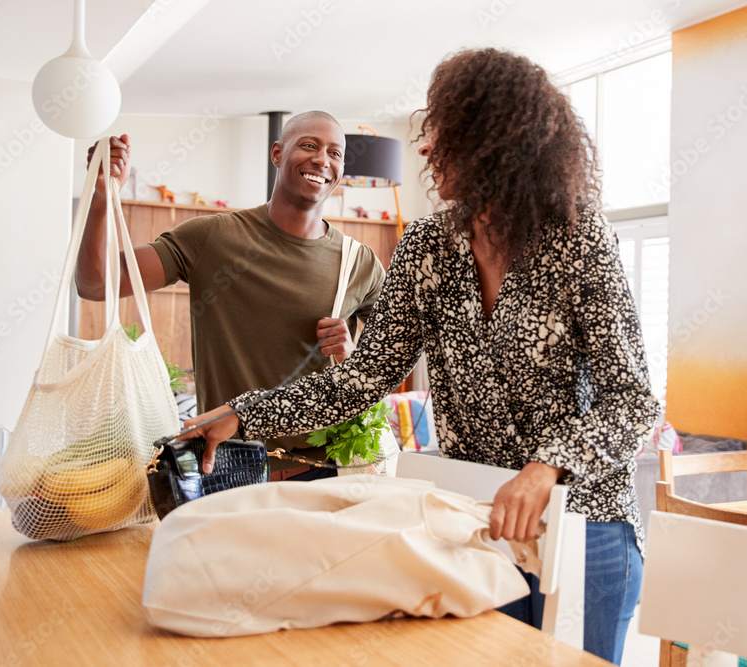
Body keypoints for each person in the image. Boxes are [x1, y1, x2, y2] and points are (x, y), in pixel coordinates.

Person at [181, 50, 659, 663]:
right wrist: (245, 413)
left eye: (446, 132)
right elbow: (360, 379)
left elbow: (633, 400)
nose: (427, 150)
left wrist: (543, 471)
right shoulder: (429, 247)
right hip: (476, 525)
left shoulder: (578, 237)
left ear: (496, 139)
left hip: (588, 525)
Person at [75, 111, 386, 479]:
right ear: (276, 153)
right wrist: (100, 196)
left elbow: (384, 365)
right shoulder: (213, 237)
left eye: (335, 153)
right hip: (225, 465)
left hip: (323, 469)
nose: (322, 159)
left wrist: (352, 353)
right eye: (309, 145)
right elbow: (96, 283)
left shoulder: (359, 263)